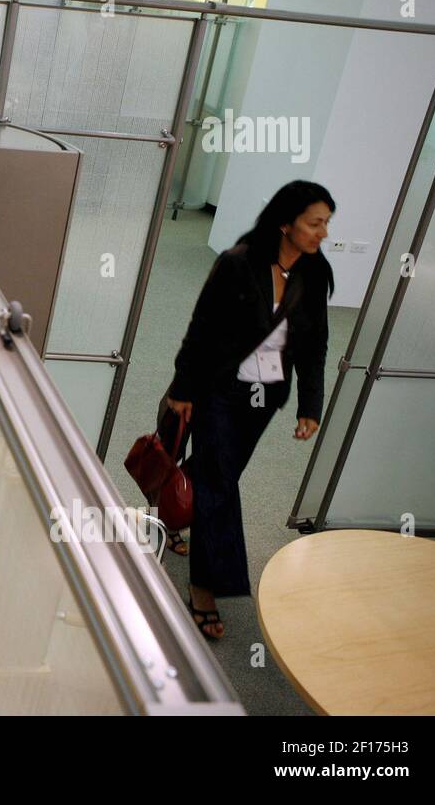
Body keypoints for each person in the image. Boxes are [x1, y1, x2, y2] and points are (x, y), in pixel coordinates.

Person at [164, 180, 334, 640]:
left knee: (216, 472)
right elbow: (201, 328)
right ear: (286, 222)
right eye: (314, 223)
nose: (322, 233)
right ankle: (205, 588)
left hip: (265, 397)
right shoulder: (238, 264)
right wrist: (183, 388)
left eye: (326, 224)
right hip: (220, 388)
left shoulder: (315, 275)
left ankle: (169, 511)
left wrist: (310, 405)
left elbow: (314, 345)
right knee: (219, 484)